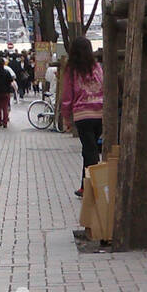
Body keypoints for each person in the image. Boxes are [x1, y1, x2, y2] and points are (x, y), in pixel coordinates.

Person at [60, 37, 104, 197]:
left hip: (82, 115)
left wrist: (66, 117)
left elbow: (67, 96)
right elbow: (104, 87)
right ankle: (86, 185)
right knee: (89, 150)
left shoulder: (71, 70)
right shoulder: (98, 68)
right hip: (100, 113)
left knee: (90, 151)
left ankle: (92, 186)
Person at [0, 53, 14, 127]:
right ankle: (5, 122)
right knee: (5, 107)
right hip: (5, 92)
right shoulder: (6, 72)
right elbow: (10, 80)